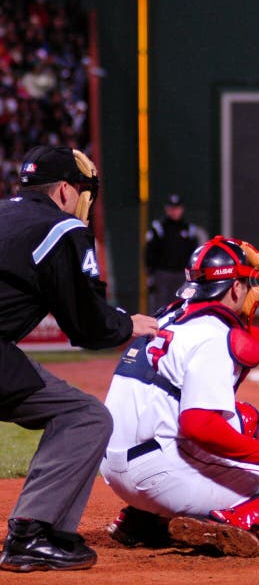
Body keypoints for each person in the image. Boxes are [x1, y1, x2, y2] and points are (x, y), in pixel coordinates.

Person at [101, 235, 259, 557]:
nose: (253, 292)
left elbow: (253, 342)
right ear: (235, 288)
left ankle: (144, 520)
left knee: (246, 419)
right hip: (157, 472)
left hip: (114, 466)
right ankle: (227, 524)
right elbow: (199, 425)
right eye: (250, 283)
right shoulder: (214, 335)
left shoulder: (173, 314)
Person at [0, 145, 159, 572]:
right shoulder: (61, 228)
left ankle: (45, 533)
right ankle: (32, 535)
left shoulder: (5, 214)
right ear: (66, 190)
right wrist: (125, 325)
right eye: (84, 190)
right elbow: (88, 326)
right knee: (85, 417)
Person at [145, 193, 208, 313]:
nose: (174, 211)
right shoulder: (159, 228)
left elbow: (194, 255)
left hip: (182, 275)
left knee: (181, 306)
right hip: (162, 275)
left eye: (177, 208)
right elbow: (150, 252)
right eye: (171, 208)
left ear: (182, 209)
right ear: (166, 209)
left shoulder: (189, 229)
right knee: (160, 308)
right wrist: (150, 274)